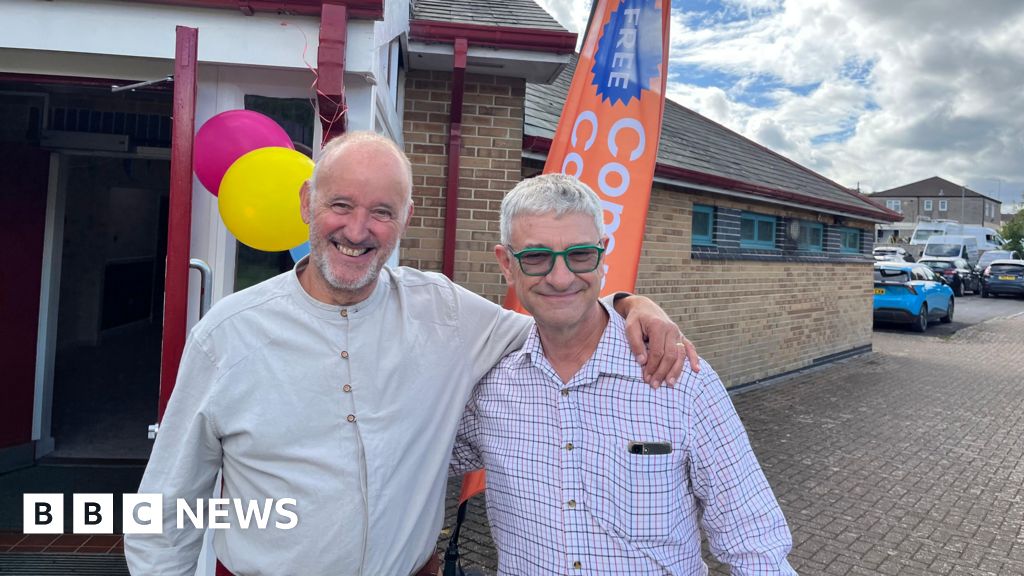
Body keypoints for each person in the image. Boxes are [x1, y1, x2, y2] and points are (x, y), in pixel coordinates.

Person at [124, 132, 696, 576]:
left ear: (405, 219)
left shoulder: (444, 312)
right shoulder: (227, 335)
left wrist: (630, 303)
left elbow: (556, 318)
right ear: (306, 203)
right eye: (340, 205)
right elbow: (166, 506)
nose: (358, 230)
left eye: (382, 211)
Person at [451, 174, 796, 575]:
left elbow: (755, 544)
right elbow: (416, 459)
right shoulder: (491, 385)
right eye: (536, 257)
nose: (560, 277)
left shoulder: (681, 380)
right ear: (507, 265)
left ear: (603, 255)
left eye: (581, 254)